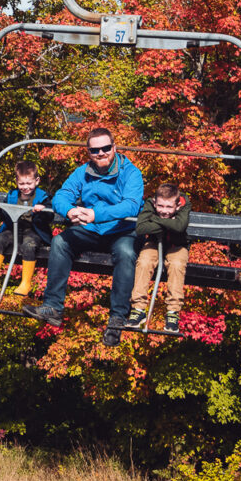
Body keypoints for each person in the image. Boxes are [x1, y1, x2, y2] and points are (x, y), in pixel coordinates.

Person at [23, 126, 144, 335]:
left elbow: (131, 205)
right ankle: (52, 306)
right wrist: (69, 211)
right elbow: (62, 196)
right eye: (94, 150)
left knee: (126, 253)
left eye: (106, 148)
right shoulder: (83, 172)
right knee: (60, 241)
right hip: (92, 230)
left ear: (114, 147)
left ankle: (118, 316)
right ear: (88, 152)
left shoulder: (130, 172)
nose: (101, 154)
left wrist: (96, 214)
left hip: (121, 231)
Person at [0, 160, 52, 296]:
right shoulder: (12, 195)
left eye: (29, 183)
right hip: (14, 229)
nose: (25, 187)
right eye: (22, 183)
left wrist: (43, 209)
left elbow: (50, 214)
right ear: (17, 181)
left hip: (33, 231)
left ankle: (25, 283)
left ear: (36, 181)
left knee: (29, 245)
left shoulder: (42, 197)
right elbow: (3, 217)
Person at [127, 182, 191, 339]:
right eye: (160, 206)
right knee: (144, 262)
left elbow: (179, 226)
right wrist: (171, 224)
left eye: (169, 208)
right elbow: (141, 228)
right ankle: (138, 309)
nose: (164, 211)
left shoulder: (184, 202)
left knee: (176, 265)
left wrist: (154, 220)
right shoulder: (150, 203)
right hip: (154, 242)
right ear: (155, 203)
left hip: (178, 244)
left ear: (177, 206)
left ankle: (173, 312)